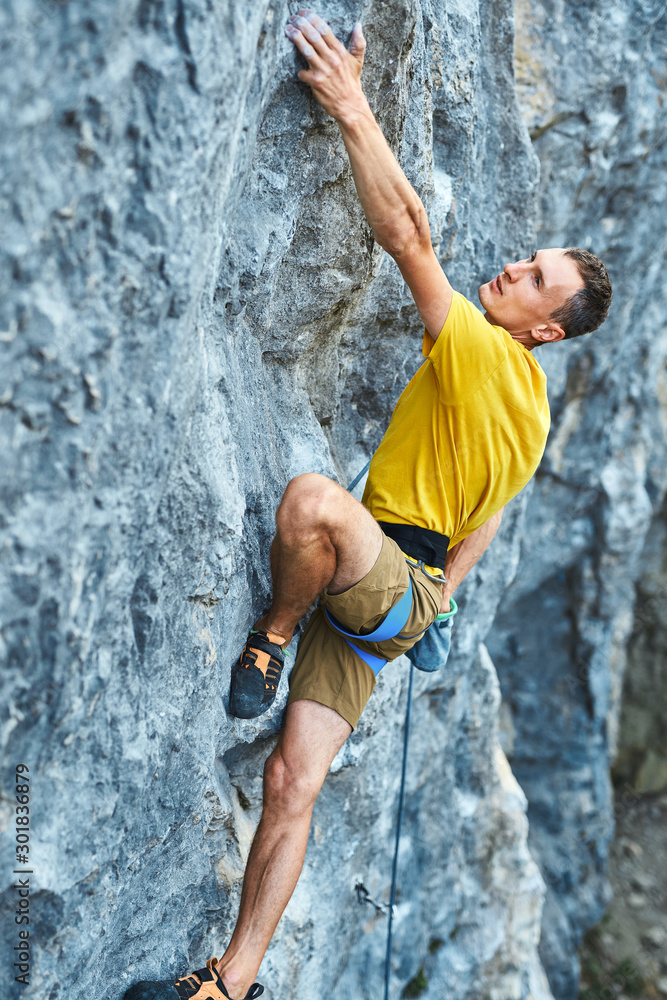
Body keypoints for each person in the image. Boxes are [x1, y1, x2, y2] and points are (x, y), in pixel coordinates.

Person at [126, 10, 611, 1000]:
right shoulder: (531, 416)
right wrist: (442, 606)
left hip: (376, 574)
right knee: (290, 781)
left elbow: (407, 234)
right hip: (400, 597)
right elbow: (485, 521)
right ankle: (231, 982)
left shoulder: (484, 353)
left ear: (545, 329)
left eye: (533, 280)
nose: (513, 270)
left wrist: (351, 100)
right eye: (527, 260)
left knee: (311, 502)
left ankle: (271, 630)